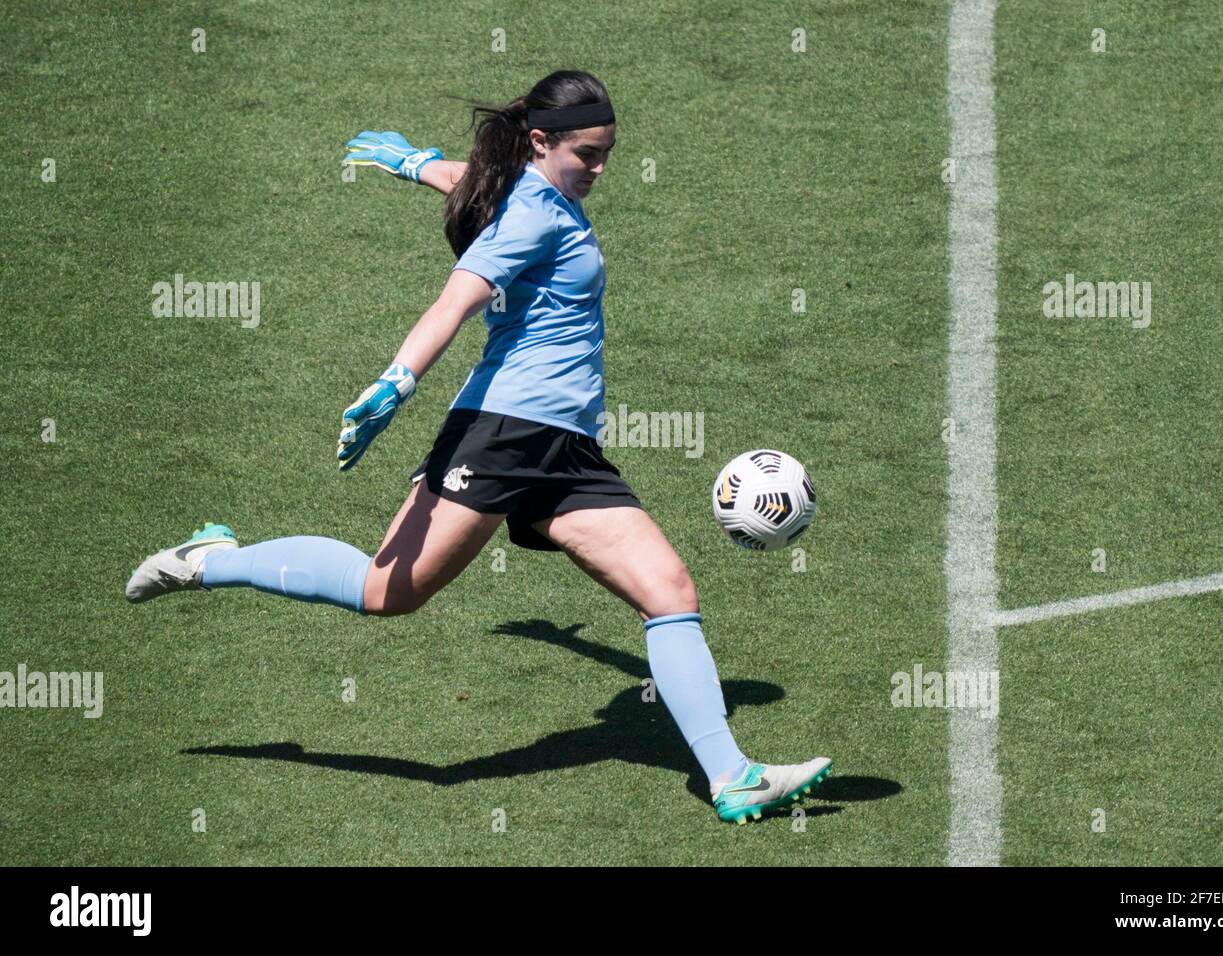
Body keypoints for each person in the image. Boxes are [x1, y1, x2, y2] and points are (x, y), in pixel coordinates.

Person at [125, 70, 830, 824]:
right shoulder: (530, 216)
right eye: (586, 155)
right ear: (541, 141)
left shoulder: (524, 186)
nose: (598, 170)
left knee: (670, 594)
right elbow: (455, 300)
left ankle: (732, 777)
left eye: (607, 153)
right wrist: (397, 381)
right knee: (385, 592)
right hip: (500, 434)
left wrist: (415, 163)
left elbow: (474, 179)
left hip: (566, 452)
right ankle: (209, 560)